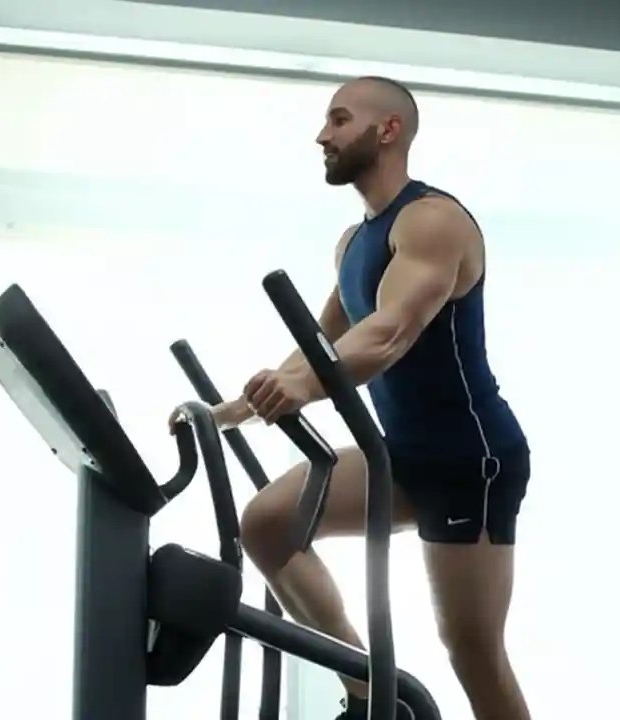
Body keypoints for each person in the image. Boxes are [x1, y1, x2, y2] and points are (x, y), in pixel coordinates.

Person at [174, 76, 533, 720]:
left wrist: (303, 387)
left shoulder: (433, 221)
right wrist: (232, 411)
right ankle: (372, 692)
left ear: (387, 130)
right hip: (399, 454)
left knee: (474, 654)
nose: (323, 135)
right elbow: (320, 341)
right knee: (267, 524)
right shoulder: (353, 243)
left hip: (468, 461)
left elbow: (389, 333)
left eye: (339, 120)